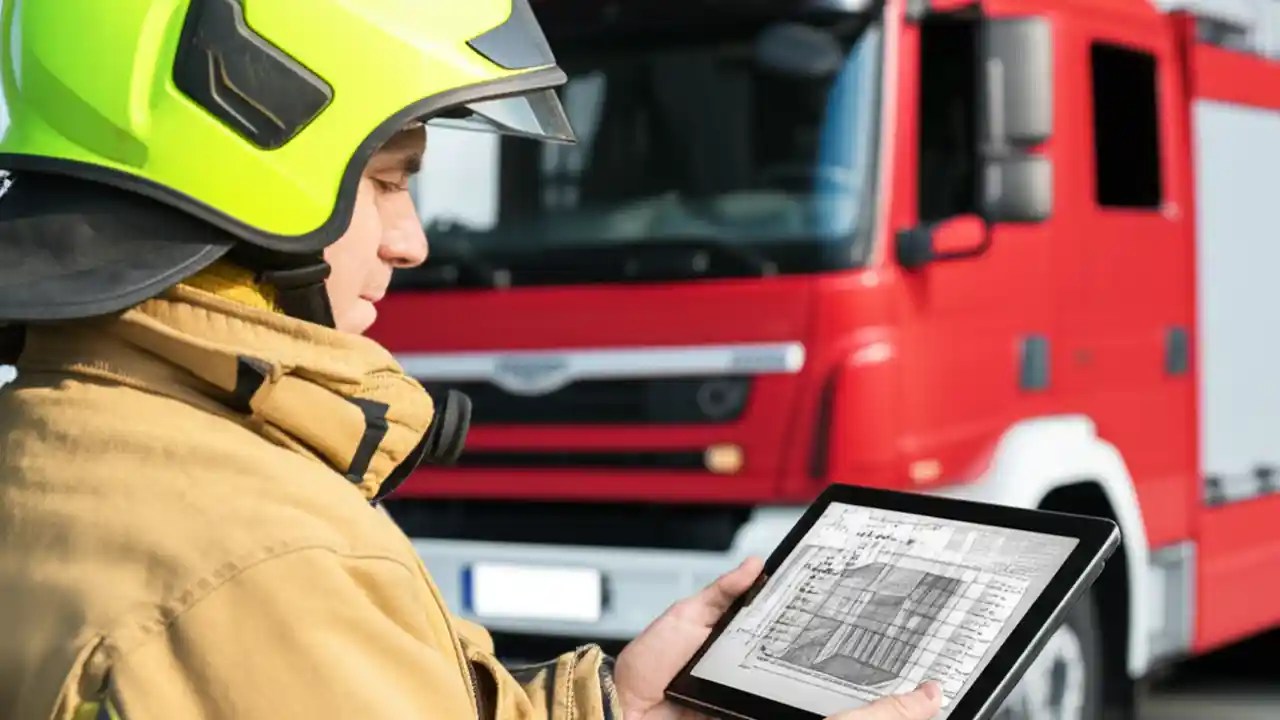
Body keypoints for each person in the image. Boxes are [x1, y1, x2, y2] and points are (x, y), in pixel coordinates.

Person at [0, 2, 943, 719]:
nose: (411, 241)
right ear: (256, 163)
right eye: (386, 181)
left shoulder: (67, 440)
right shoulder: (265, 565)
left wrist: (615, 703)